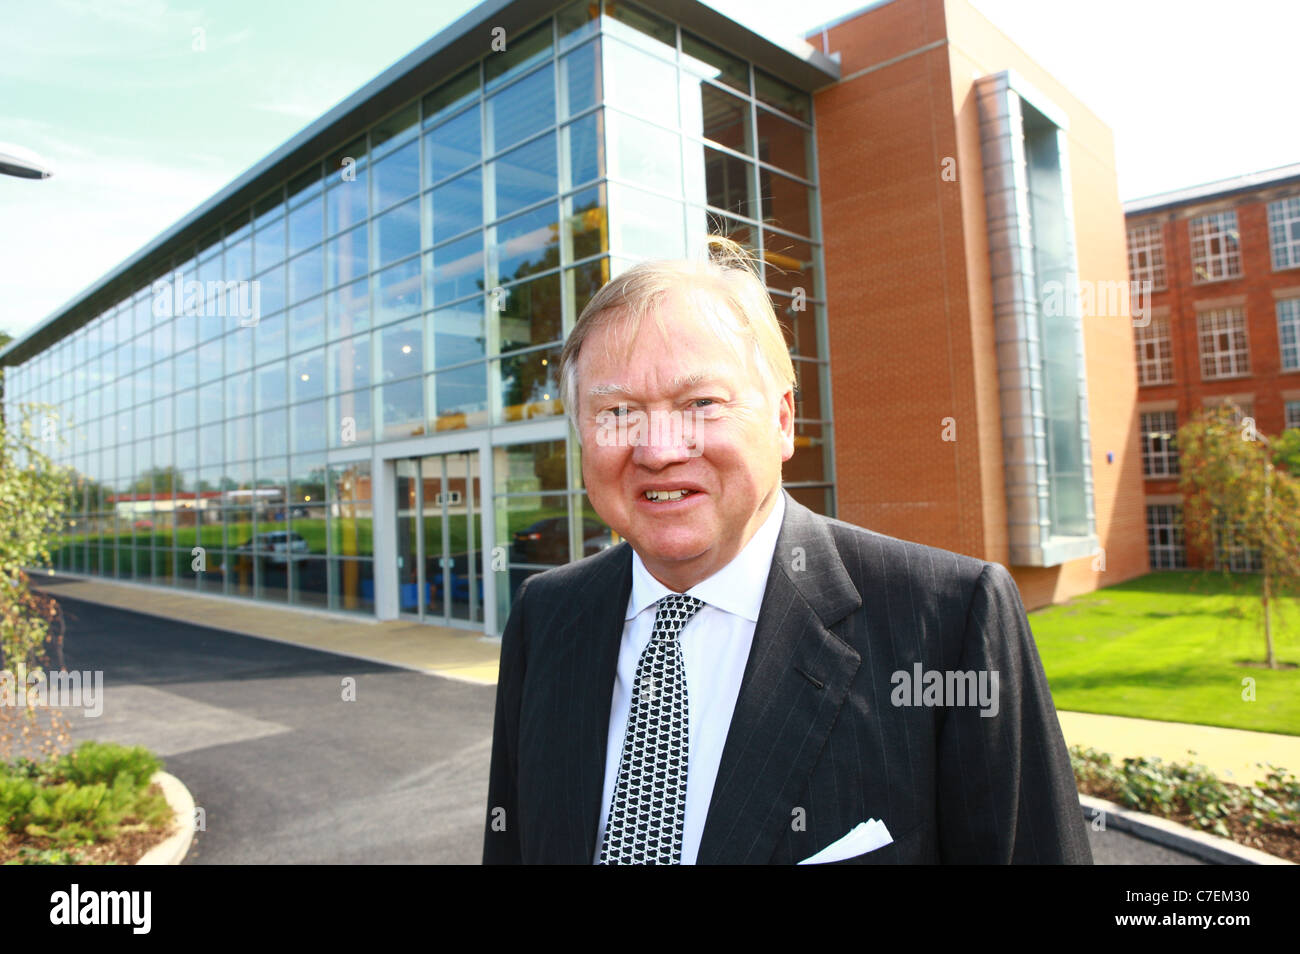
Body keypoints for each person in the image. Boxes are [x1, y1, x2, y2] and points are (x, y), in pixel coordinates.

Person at [482, 237, 1092, 865]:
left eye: (701, 403)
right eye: (617, 411)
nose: (659, 448)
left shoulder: (948, 621)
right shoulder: (544, 615)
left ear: (783, 421)